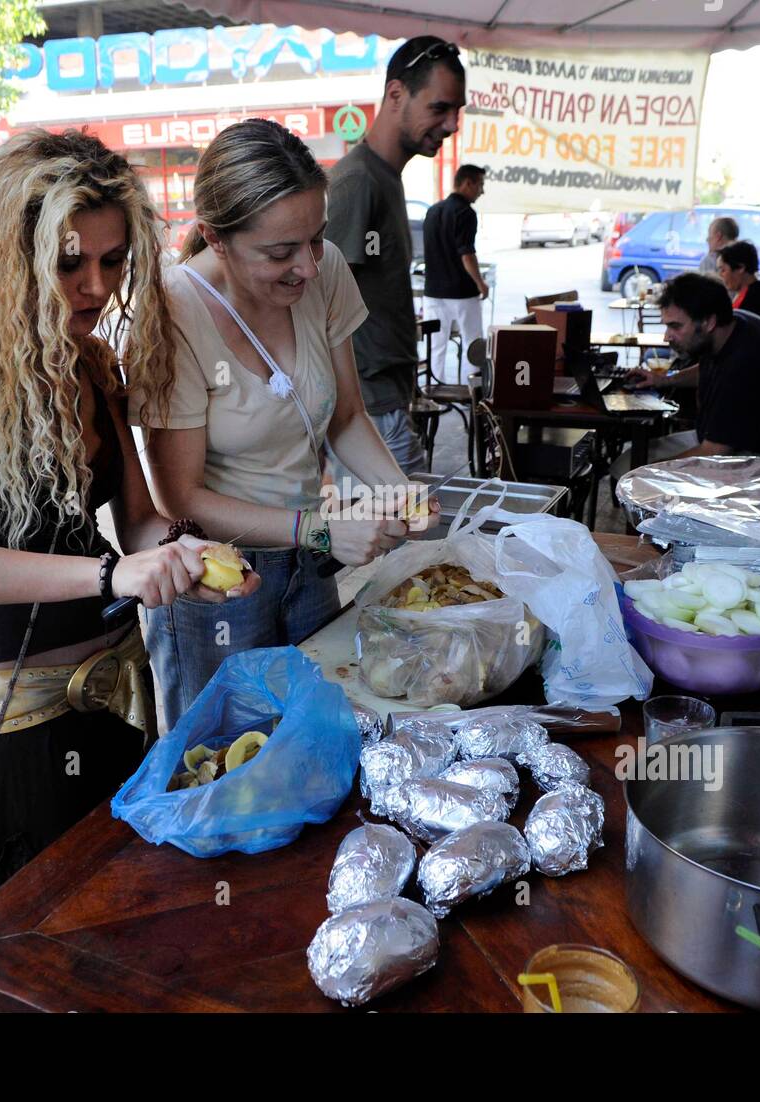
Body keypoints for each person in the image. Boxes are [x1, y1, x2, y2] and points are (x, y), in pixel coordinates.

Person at [0, 129, 259, 904]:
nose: (96, 285)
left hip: (122, 683)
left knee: (129, 892)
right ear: (11, 257)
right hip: (9, 711)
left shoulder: (95, 363)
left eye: (114, 261)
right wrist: (111, 571)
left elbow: (144, 518)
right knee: (33, 917)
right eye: (69, 262)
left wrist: (185, 556)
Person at [136, 119, 441, 728]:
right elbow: (179, 497)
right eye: (279, 253)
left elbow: (347, 416)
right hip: (217, 581)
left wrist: (397, 489)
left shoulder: (324, 274)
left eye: (317, 239)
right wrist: (322, 530)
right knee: (226, 759)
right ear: (215, 239)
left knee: (313, 735)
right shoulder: (173, 313)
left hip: (310, 565)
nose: (307, 266)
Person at [325, 35, 467, 475]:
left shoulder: (385, 176)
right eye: (440, 107)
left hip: (383, 403)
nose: (452, 124)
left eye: (457, 110)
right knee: (407, 536)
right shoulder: (357, 182)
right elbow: (318, 301)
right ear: (395, 94)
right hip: (368, 414)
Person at [614, 272, 760, 475]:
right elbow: (705, 368)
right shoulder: (731, 326)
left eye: (675, 326)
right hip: (734, 445)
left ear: (708, 322)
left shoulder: (745, 362)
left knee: (636, 475)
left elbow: (714, 452)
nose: (667, 337)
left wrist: (648, 474)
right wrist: (664, 380)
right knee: (626, 463)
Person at [422, 164, 487, 382]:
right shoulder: (466, 213)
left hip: (433, 292)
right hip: (462, 293)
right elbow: (466, 254)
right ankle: (473, 397)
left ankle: (434, 395)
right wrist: (480, 283)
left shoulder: (432, 211)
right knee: (473, 344)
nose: (482, 191)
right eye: (480, 185)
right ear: (468, 183)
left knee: (435, 346)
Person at [716, 240, 760, 330]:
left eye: (723, 270)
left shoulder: (759, 296)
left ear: (741, 268)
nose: (720, 275)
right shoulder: (749, 290)